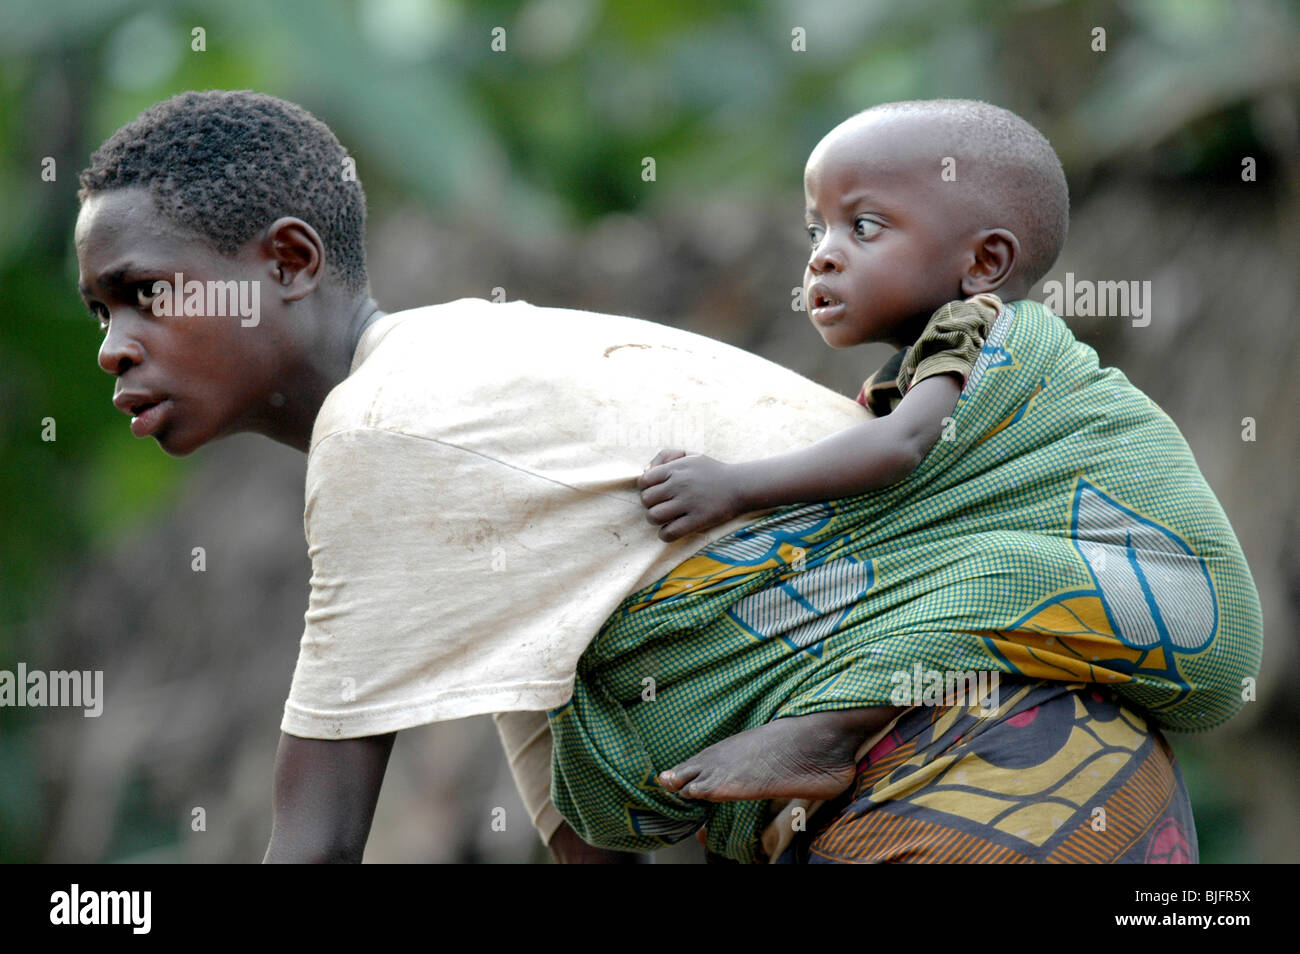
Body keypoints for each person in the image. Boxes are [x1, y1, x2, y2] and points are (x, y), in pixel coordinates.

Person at [75, 91, 1258, 864]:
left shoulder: (393, 425)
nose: (112, 343)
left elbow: (316, 839)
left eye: (143, 291)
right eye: (97, 312)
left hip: (971, 783)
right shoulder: (467, 416)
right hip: (1064, 787)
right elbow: (576, 824)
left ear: (287, 261)